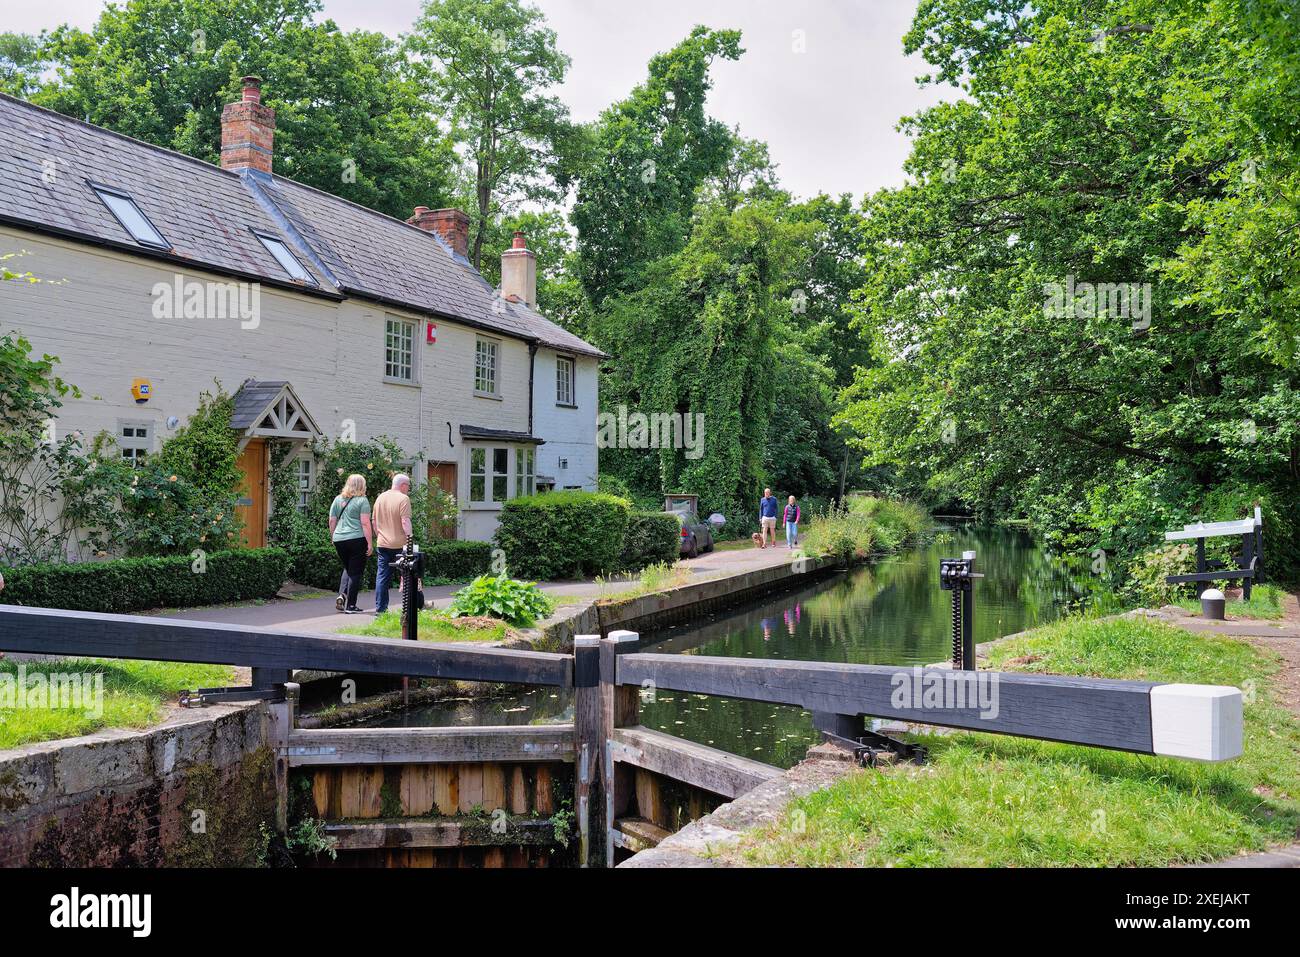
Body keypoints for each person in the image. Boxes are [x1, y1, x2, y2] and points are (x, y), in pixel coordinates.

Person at [329, 473, 373, 614]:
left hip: (339, 539)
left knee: (348, 568)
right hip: (357, 538)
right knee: (355, 573)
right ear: (362, 485)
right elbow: (365, 523)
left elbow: (332, 520)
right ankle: (351, 606)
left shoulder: (337, 499)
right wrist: (370, 543)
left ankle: (342, 595)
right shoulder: (362, 500)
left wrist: (333, 536)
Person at [371, 473, 413, 614]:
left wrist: (380, 536)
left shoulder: (380, 497)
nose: (408, 489)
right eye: (408, 486)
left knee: (382, 577)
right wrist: (410, 540)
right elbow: (405, 522)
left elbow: (374, 522)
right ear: (403, 485)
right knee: (408, 575)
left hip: (383, 544)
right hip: (400, 545)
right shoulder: (403, 498)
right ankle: (409, 609)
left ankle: (381, 610)